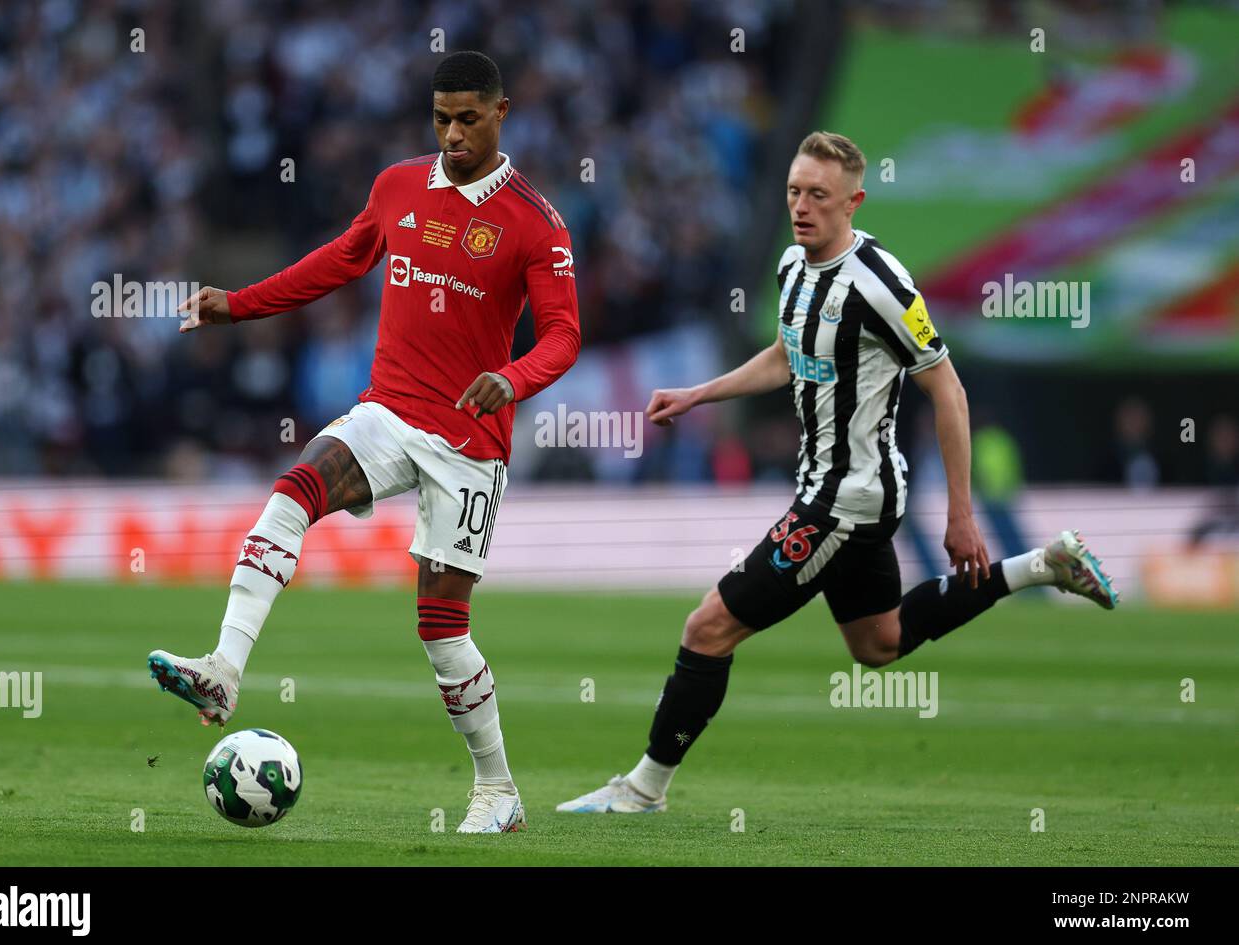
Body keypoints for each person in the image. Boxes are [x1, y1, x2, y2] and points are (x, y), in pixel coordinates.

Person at [557, 131, 1117, 815]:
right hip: (836, 491)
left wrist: (962, 514)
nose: (801, 206)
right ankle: (1043, 565)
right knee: (878, 645)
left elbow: (949, 390)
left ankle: (643, 789)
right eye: (794, 191)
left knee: (707, 629)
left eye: (818, 196)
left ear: (852, 201)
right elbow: (787, 354)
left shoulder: (882, 283)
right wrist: (700, 393)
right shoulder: (794, 266)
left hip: (846, 499)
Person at [148, 51, 580, 834]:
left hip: (469, 442)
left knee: (442, 629)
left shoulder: (536, 223)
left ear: (502, 112)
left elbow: (563, 336)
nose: (452, 133)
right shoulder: (398, 187)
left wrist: (513, 380)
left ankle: (498, 790)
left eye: (468, 119)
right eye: (441, 117)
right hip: (388, 410)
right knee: (294, 489)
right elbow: (339, 261)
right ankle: (223, 670)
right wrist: (236, 306)